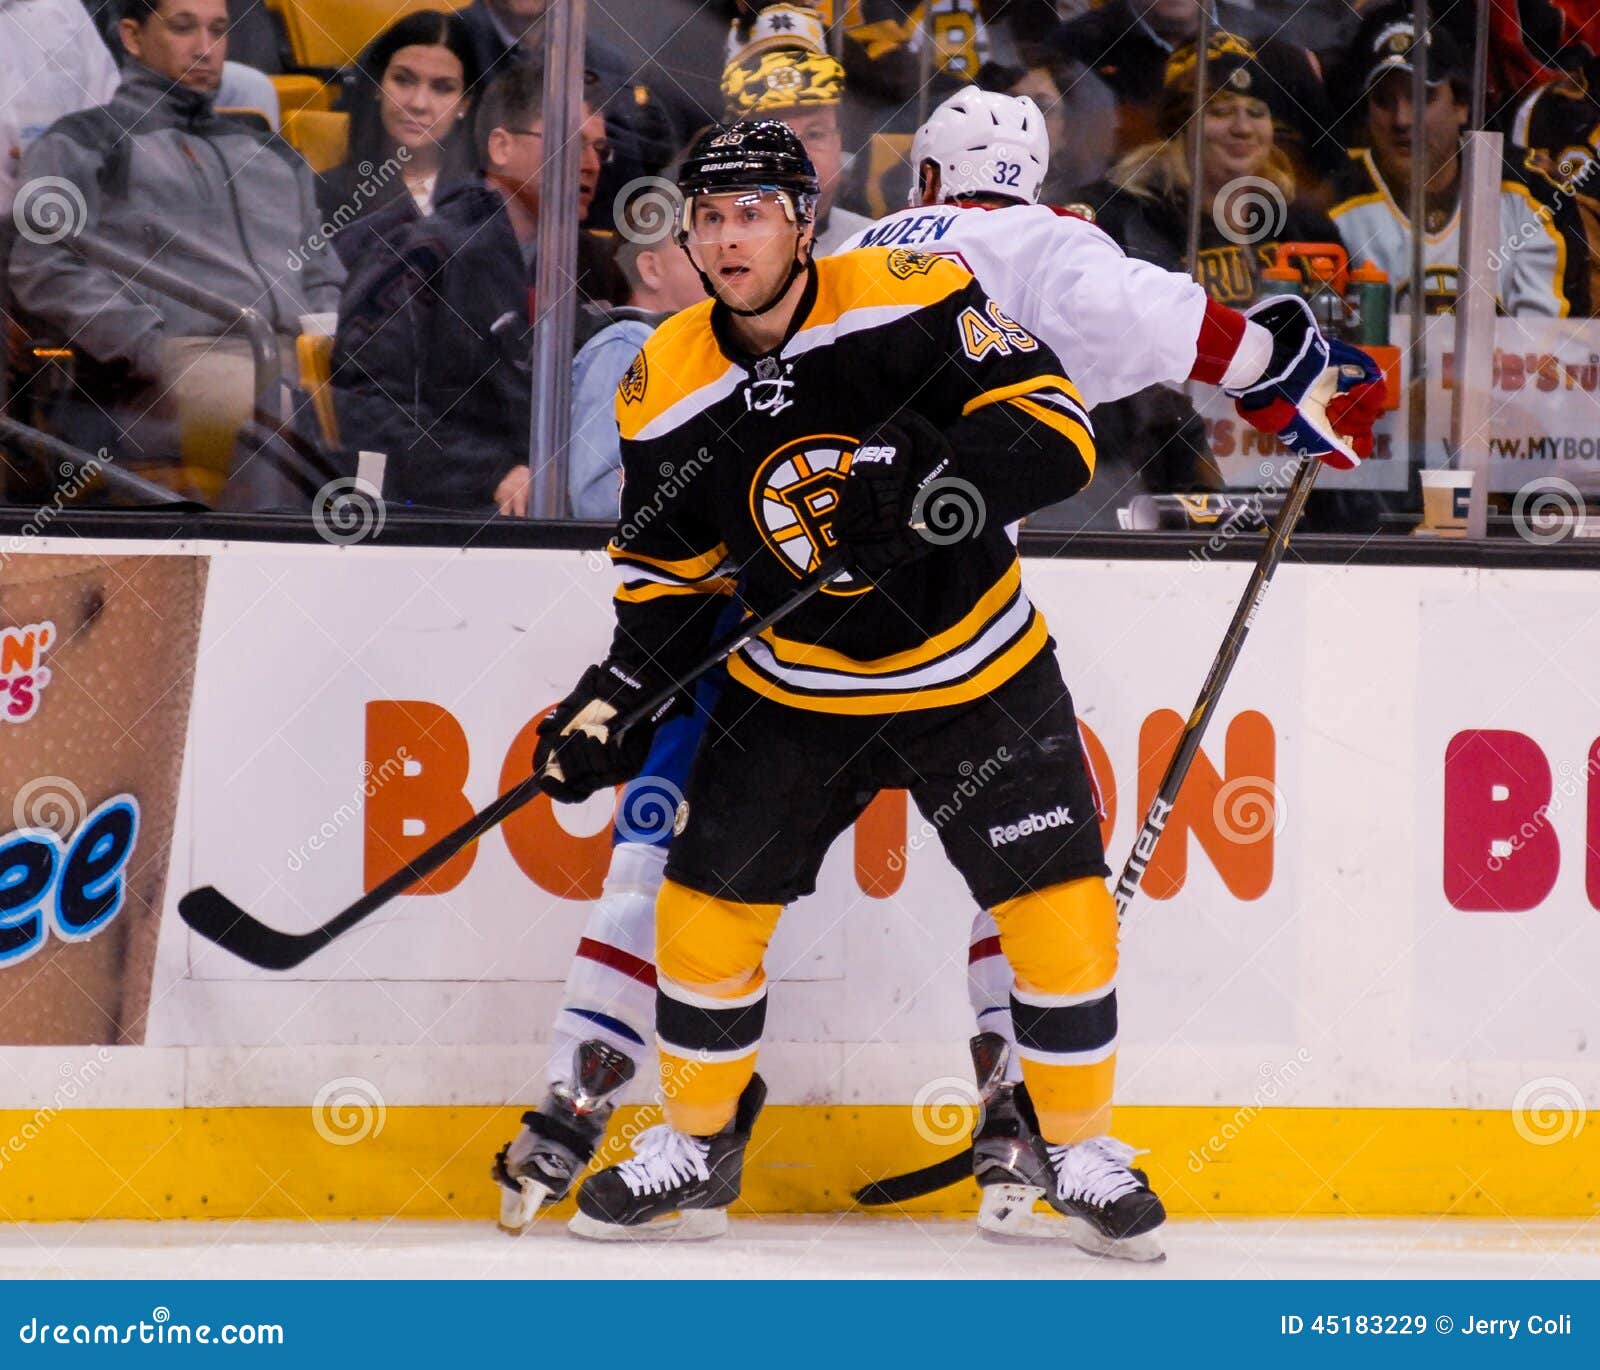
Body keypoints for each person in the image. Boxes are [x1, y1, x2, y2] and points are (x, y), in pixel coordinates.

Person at [491, 91, 1383, 1254]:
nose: (726, 239)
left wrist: (924, 490)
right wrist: (610, 695)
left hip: (971, 666)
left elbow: (1054, 429)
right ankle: (699, 1143)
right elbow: (665, 574)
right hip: (794, 685)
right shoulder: (665, 376)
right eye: (707, 217)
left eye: (752, 213)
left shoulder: (909, 289)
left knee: (1058, 916)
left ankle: (1078, 1148)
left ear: (808, 221)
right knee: (704, 917)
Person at [8, 0, 343, 506]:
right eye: (183, 28)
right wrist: (150, 347)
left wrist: (331, 340)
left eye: (217, 30)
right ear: (133, 36)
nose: (205, 49)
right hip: (167, 378)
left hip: (293, 361)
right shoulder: (82, 142)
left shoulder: (271, 153)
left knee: (402, 401)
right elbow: (44, 266)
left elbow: (320, 269)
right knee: (279, 409)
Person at [331, 61, 612, 515]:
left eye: (600, 148)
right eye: (572, 143)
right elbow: (367, 406)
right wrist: (493, 473)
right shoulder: (421, 253)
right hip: (445, 518)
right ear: (501, 146)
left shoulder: (591, 264)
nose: (591, 164)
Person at [1328, 13, 1586, 316]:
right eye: (1383, 100)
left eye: (1422, 97)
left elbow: (1550, 345)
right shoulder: (1334, 200)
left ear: (1461, 105)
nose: (1402, 119)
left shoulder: (1531, 190)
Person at [568, 193, 709, 519]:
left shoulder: (679, 346)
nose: (718, 261)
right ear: (651, 268)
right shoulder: (625, 347)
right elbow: (594, 501)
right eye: (698, 250)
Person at [318, 9, 481, 269]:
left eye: (442, 88)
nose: (418, 103)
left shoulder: (486, 199)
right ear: (377, 86)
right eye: (403, 80)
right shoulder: (325, 195)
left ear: (465, 103)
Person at [721, 44, 873, 252]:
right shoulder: (709, 248)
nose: (799, 154)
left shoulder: (875, 244)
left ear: (839, 143)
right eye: (775, 138)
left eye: (814, 134)